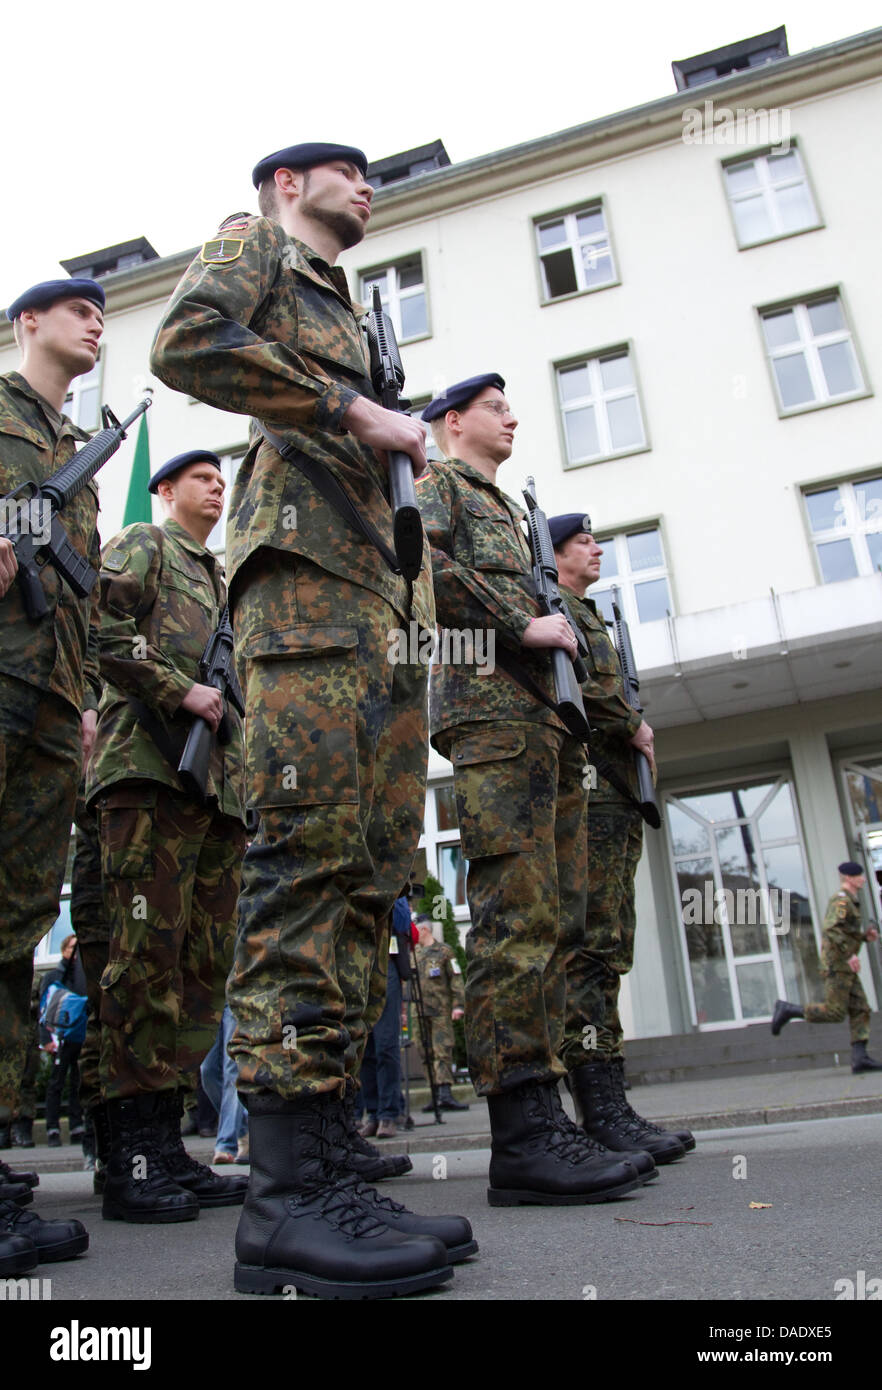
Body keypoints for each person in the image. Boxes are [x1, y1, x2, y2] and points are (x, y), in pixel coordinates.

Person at [149, 141, 472, 1298]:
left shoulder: (353, 300)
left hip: (371, 606)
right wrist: (347, 405)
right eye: (349, 171)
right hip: (300, 599)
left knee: (361, 877)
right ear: (290, 184)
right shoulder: (256, 248)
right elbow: (184, 341)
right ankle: (282, 1201)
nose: (368, 186)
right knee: (304, 864)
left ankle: (327, 1154)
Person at [415, 373, 641, 1206]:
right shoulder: (439, 485)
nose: (511, 417)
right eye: (496, 406)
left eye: (511, 407)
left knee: (554, 917)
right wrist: (517, 624)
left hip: (545, 720)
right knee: (515, 913)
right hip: (491, 714)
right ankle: (521, 1128)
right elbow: (420, 563)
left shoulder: (510, 510)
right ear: (451, 421)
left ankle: (552, 1112)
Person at [86, 449, 250, 1222]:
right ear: (165, 489)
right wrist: (174, 688)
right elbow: (100, 623)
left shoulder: (220, 578)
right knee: (142, 959)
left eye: (223, 481)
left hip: (214, 794)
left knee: (198, 967)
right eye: (202, 478)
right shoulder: (144, 545)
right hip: (148, 772)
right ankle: (130, 1156)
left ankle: (167, 1144)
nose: (217, 488)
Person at [0, 278, 106, 1267]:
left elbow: (82, 598)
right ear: (28, 321)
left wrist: (79, 705)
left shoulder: (78, 456)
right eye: (77, 307)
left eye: (102, 312)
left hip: (43, 708)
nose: (95, 319)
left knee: (11, 930)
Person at [550, 514, 692, 1165]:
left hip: (613, 797)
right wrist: (632, 727)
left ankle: (612, 1100)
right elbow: (580, 691)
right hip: (590, 787)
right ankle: (599, 1106)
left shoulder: (593, 615)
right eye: (584, 541)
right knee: (591, 947)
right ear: (556, 555)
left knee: (611, 944)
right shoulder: (557, 609)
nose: (597, 548)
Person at [772, 861, 882, 1072]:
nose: (864, 879)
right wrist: (849, 955)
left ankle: (860, 1058)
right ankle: (788, 1010)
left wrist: (864, 937)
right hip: (837, 966)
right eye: (860, 875)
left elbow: (844, 932)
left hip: (844, 966)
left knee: (860, 1009)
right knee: (835, 1012)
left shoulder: (850, 901)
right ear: (849, 878)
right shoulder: (840, 901)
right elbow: (831, 929)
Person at [360, 898, 414, 1137]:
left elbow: (402, 920)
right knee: (364, 1047)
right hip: (358, 965)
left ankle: (389, 1114)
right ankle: (373, 1113)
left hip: (385, 963)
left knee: (386, 1043)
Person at [414, 918, 468, 1111]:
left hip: (440, 1011)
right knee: (425, 1053)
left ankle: (445, 1093)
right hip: (418, 1013)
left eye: (416, 930)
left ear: (425, 930)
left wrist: (458, 1005)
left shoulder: (445, 951)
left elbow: (456, 978)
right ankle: (434, 1094)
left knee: (442, 1050)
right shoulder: (414, 954)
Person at [41, 934, 87, 1147]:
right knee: (56, 1082)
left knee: (79, 1081)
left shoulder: (80, 976)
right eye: (72, 948)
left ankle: (77, 1126)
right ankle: (52, 1128)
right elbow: (44, 1010)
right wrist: (46, 1039)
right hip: (59, 1037)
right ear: (63, 951)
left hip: (78, 1035)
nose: (75, 953)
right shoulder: (53, 976)